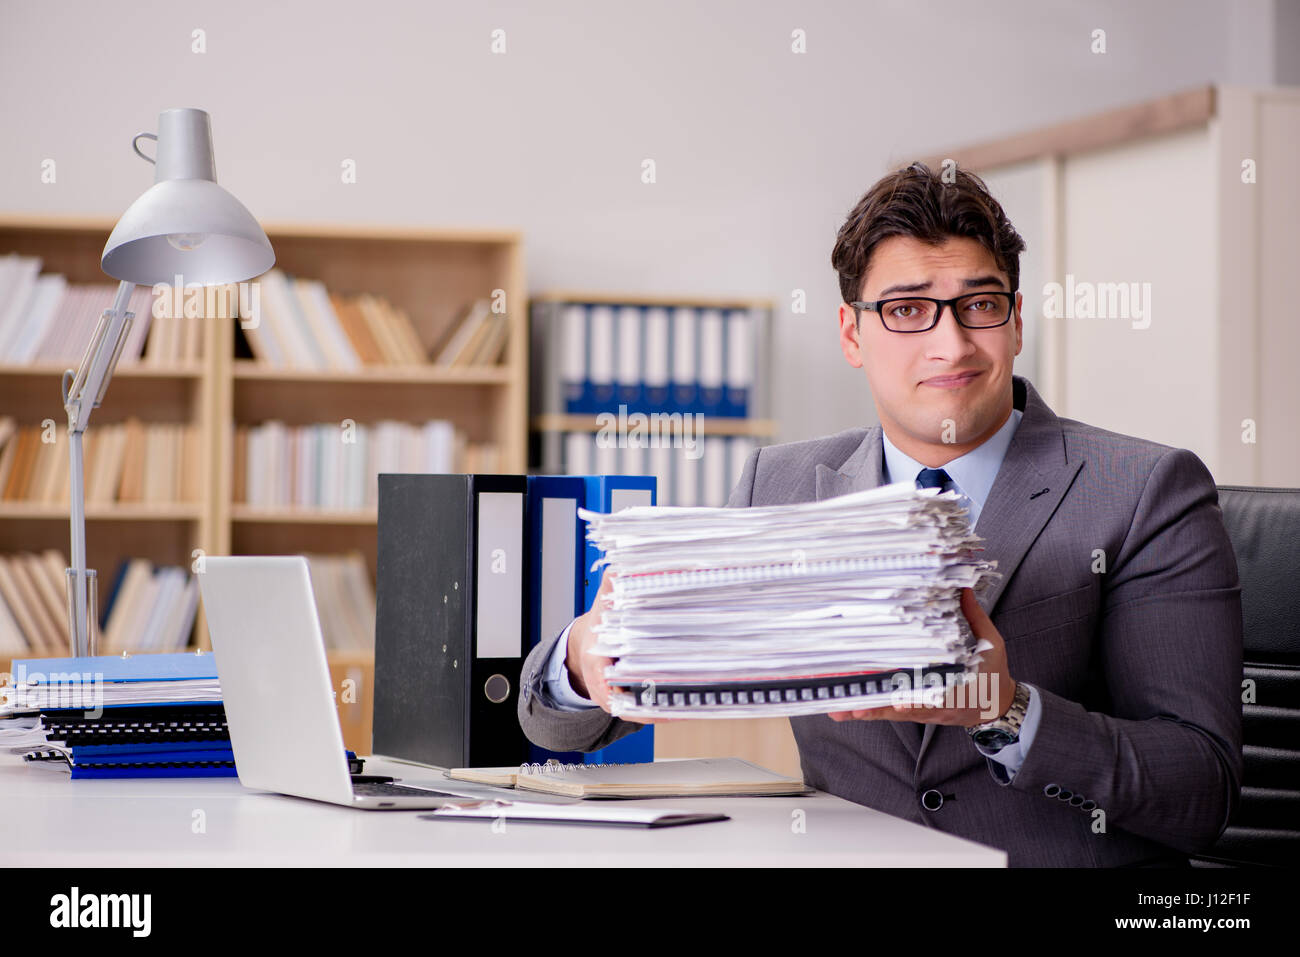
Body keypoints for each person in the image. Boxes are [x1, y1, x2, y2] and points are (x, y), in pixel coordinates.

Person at [516, 162, 1243, 867]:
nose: (951, 343)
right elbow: (554, 722)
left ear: (1016, 321)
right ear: (851, 333)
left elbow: (1200, 787)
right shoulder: (782, 483)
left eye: (980, 305)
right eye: (906, 309)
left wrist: (1008, 710)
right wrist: (584, 661)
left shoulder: (1145, 488)